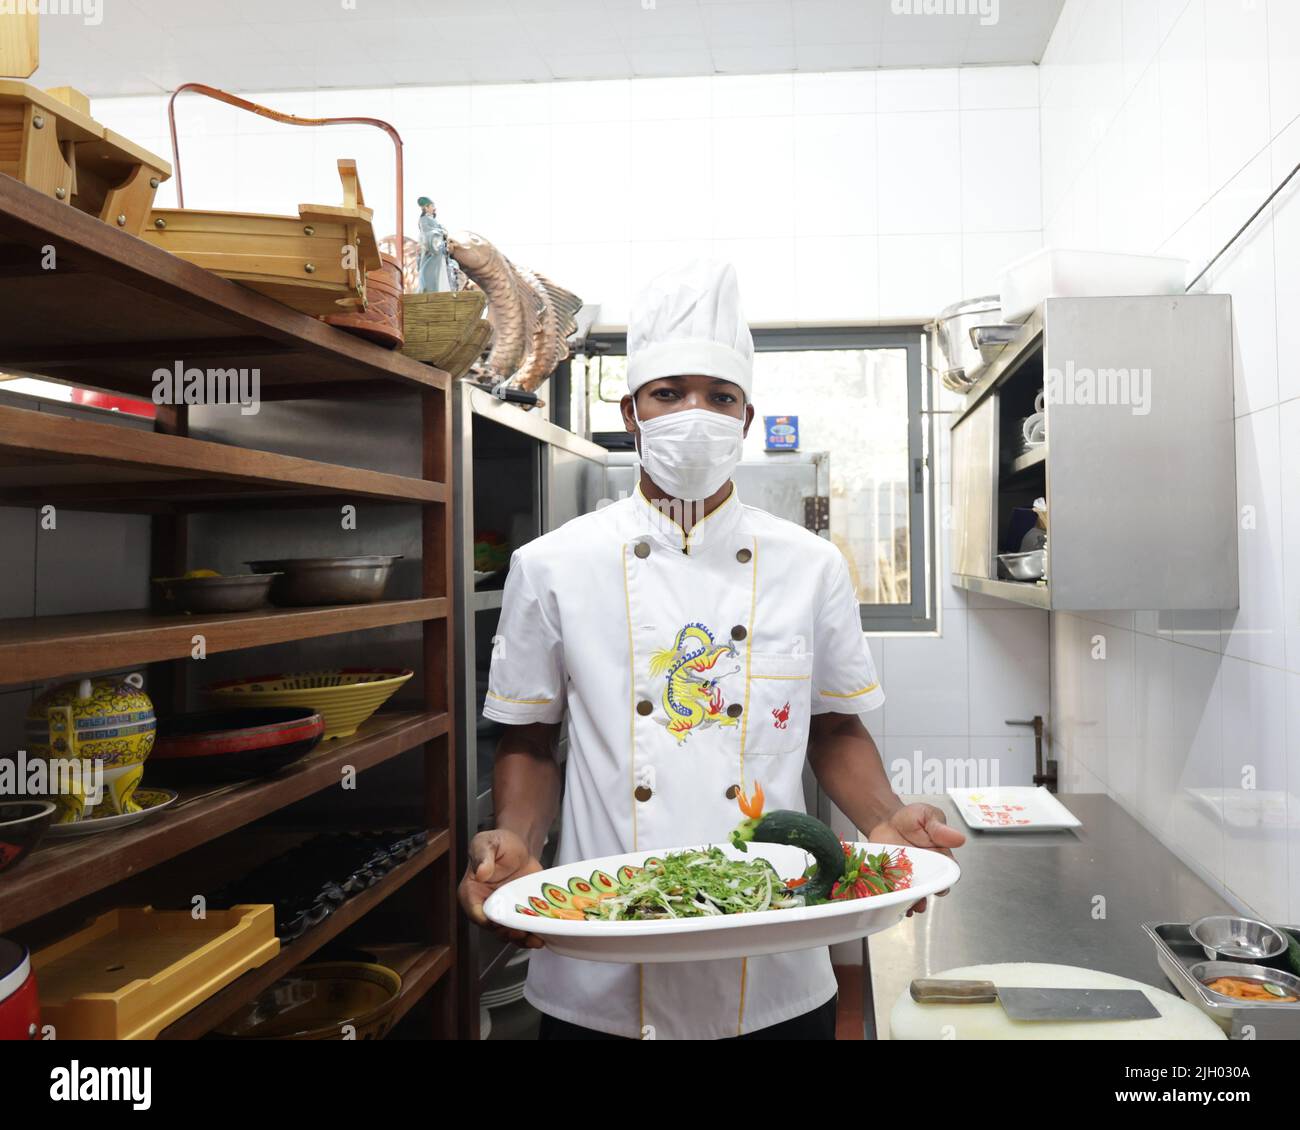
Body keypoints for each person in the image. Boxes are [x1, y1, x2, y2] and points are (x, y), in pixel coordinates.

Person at [459, 260, 964, 1040]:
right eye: (669, 393)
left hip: (777, 965)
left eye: (719, 396)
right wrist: (520, 844)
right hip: (602, 962)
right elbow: (529, 738)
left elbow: (833, 727)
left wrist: (887, 820)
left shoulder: (810, 564)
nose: (695, 413)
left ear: (746, 419)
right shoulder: (553, 565)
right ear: (631, 413)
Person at [415, 196, 450, 293]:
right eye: (432, 206)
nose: (434, 208)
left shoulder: (431, 220)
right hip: (431, 251)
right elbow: (428, 233)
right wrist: (441, 231)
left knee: (441, 273)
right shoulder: (424, 220)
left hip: (438, 251)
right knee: (430, 273)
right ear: (426, 208)